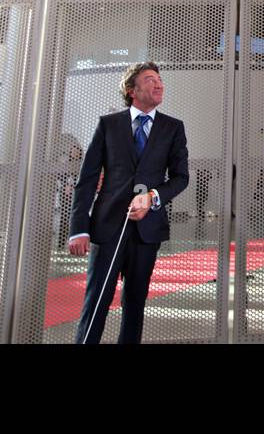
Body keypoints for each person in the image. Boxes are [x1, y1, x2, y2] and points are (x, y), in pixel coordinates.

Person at [70, 62, 189, 345]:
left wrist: (152, 197)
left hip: (147, 231)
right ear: (131, 90)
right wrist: (79, 228)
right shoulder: (108, 125)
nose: (159, 84)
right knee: (97, 300)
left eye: (160, 80)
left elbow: (180, 178)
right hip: (107, 227)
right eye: (150, 80)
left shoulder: (173, 128)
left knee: (135, 304)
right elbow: (86, 180)